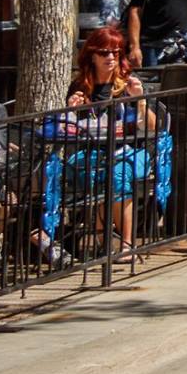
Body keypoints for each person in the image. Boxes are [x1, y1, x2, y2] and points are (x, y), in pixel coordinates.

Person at [65, 26, 154, 261]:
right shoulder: (81, 87)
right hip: (92, 153)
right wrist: (71, 111)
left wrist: (141, 101)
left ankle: (125, 245)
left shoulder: (126, 85)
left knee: (118, 173)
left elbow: (155, 127)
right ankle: (103, 240)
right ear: (92, 56)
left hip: (130, 152)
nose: (111, 58)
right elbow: (69, 129)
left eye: (116, 52)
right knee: (97, 172)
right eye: (105, 53)